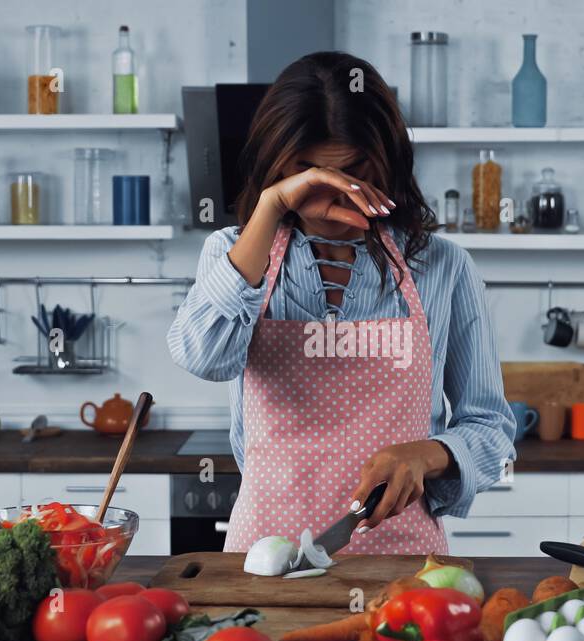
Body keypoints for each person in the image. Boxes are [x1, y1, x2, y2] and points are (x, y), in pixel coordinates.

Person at [168, 51, 515, 555]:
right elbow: (203, 356)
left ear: (389, 161)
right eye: (307, 172)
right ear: (276, 166)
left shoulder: (442, 267)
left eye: (353, 171)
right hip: (266, 564)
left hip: (402, 568)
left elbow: (493, 432)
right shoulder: (234, 253)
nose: (335, 193)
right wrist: (270, 208)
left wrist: (430, 454)